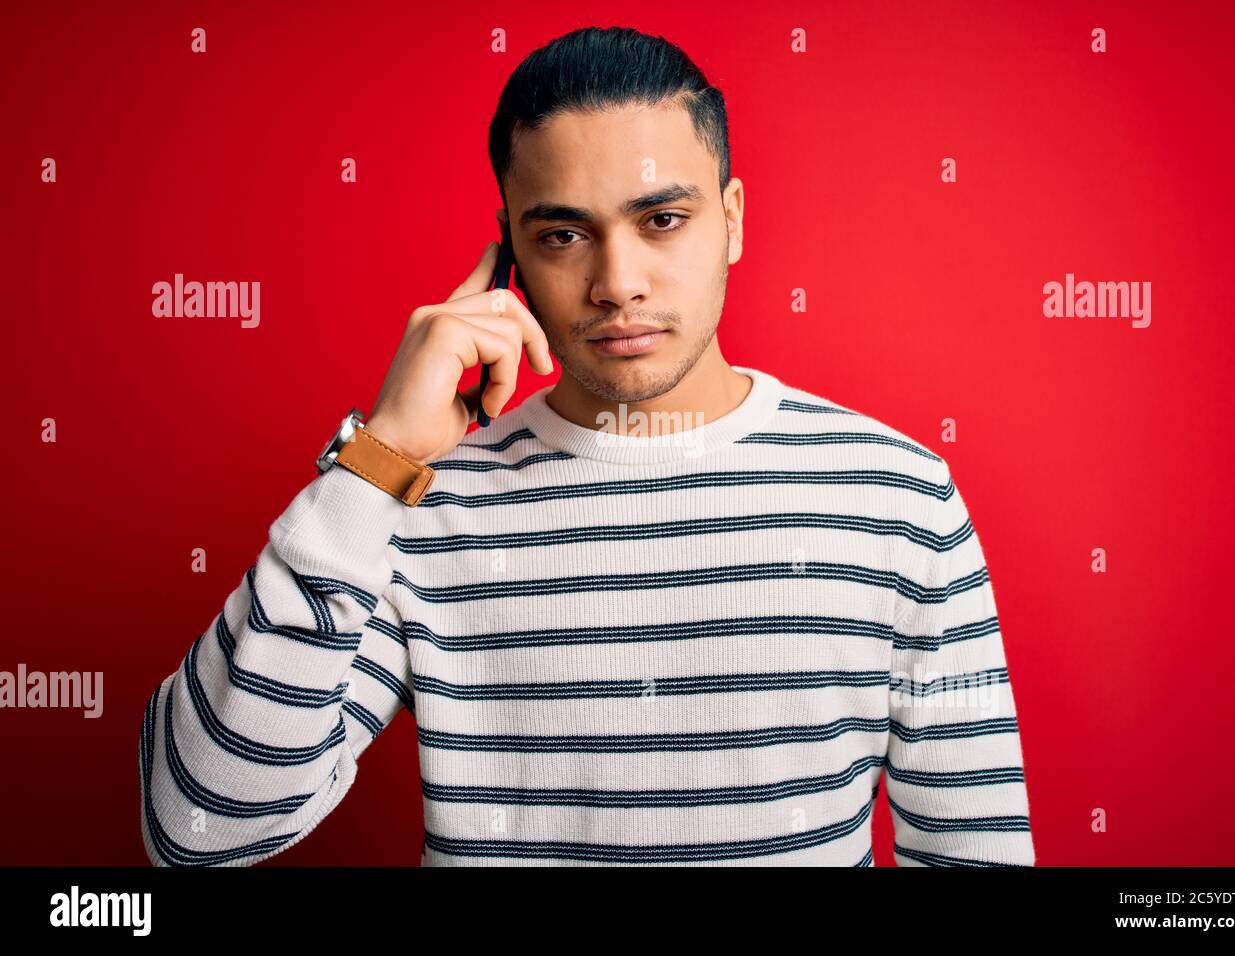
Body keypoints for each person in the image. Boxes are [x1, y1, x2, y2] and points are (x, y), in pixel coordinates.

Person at [138, 24, 1035, 866]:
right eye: (563, 235)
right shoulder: (416, 497)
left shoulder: (897, 496)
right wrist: (376, 461)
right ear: (510, 259)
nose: (615, 283)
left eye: (661, 220)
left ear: (734, 218)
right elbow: (200, 828)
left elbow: (975, 850)